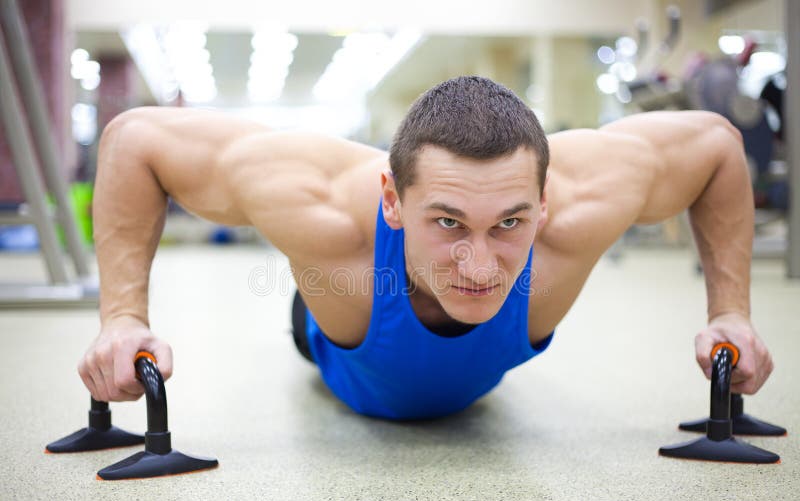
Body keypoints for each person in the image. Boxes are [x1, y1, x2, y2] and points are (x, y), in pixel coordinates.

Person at [79, 76, 773, 419]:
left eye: (509, 223)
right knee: (328, 295)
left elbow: (715, 144)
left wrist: (732, 313)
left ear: (546, 201)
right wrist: (123, 319)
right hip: (346, 313)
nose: (478, 267)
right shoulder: (320, 206)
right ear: (392, 201)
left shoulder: (585, 200)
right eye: (447, 222)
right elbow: (134, 140)